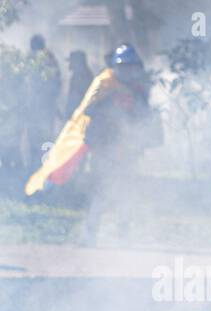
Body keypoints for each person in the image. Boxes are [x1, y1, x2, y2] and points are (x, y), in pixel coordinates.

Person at [25, 44, 159, 245]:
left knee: (125, 193)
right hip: (104, 149)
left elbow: (143, 117)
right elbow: (88, 111)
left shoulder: (138, 88)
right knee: (100, 192)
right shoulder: (105, 83)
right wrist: (113, 104)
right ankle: (90, 236)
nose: (127, 70)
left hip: (127, 150)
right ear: (115, 66)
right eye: (122, 66)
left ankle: (124, 237)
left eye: (130, 66)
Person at [22, 35, 61, 170]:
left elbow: (55, 83)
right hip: (39, 105)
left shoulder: (45, 59)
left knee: (41, 136)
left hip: (41, 106)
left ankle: (42, 166)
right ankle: (39, 165)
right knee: (39, 136)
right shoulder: (47, 59)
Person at [64, 50, 94, 120]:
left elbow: (76, 97)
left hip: (80, 116)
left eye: (71, 61)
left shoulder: (83, 77)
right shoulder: (78, 75)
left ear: (77, 62)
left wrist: (70, 113)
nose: (70, 64)